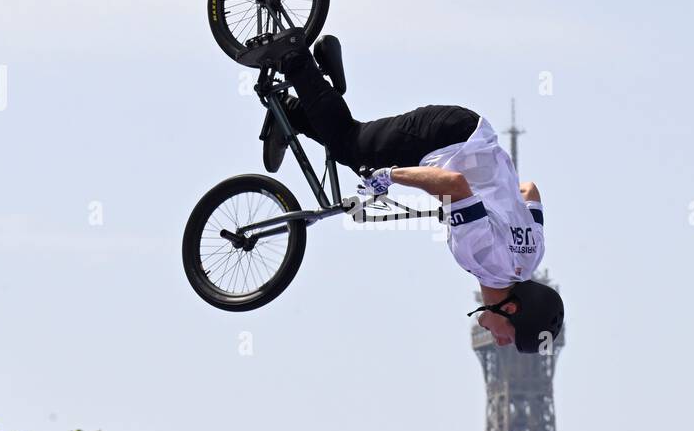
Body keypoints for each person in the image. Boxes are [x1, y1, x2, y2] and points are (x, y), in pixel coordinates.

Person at [239, 28, 564, 353]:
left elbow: (527, 190)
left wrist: (483, 203)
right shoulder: (481, 259)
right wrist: (390, 177)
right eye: (510, 337)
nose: (502, 342)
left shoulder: (531, 255)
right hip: (441, 138)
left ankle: (292, 112)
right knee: (352, 145)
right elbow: (454, 184)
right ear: (511, 309)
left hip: (469, 131)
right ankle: (294, 58)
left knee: (355, 152)